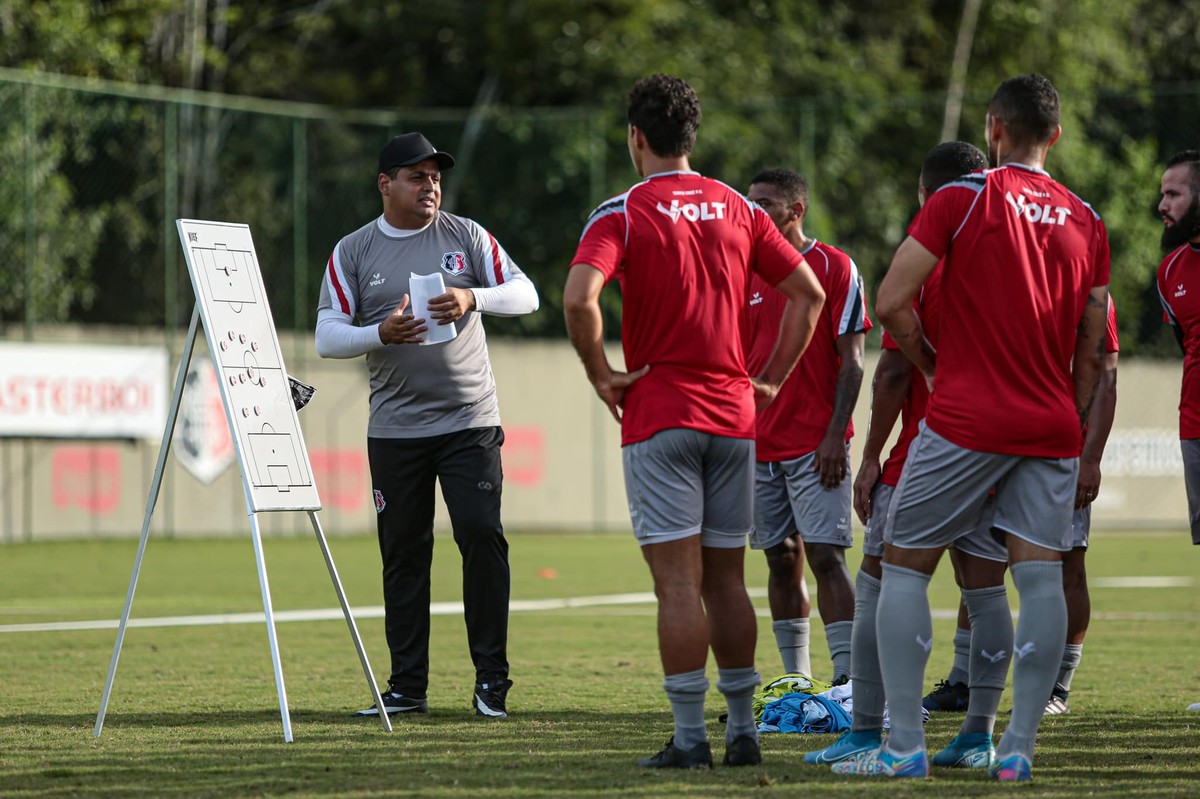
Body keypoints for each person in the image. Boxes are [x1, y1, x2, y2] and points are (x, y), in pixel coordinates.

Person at [833, 75, 1110, 782]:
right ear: (1055, 136)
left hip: (963, 417)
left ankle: (901, 747)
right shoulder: (1086, 218)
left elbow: (893, 298)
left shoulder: (961, 196)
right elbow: (1092, 347)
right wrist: (1071, 423)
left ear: (993, 129)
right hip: (1049, 424)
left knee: (903, 568)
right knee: (1040, 580)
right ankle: (1016, 743)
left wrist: (931, 363)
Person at [563, 74, 826, 769]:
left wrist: (602, 373)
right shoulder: (738, 208)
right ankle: (742, 730)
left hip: (660, 414)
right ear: (692, 137)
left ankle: (688, 739)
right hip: (733, 417)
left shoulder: (622, 210)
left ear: (635, 138)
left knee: (677, 586)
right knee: (726, 580)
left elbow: (579, 299)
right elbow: (810, 292)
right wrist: (770, 377)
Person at [315, 131, 539, 719]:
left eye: (435, 175)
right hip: (395, 431)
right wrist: (377, 334)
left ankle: (492, 682)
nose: (430, 185)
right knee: (404, 555)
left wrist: (473, 299)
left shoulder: (466, 236)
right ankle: (407, 689)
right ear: (385, 184)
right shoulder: (353, 251)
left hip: (470, 422)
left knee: (480, 535)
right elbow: (326, 334)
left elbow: (527, 294)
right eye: (416, 176)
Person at [804, 141, 1001, 769]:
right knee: (988, 594)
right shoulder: (1019, 258)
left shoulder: (927, 264)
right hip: (1006, 451)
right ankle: (980, 735)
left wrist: (872, 459)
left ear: (928, 195)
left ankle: (872, 733)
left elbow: (891, 370)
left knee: (882, 582)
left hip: (930, 448)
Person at [743, 169, 869, 684]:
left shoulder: (834, 267)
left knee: (825, 555)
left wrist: (834, 436)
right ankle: (796, 678)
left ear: (796, 211)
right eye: (748, 201)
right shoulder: (739, 269)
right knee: (778, 558)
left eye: (765, 203)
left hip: (817, 444)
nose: (752, 210)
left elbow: (854, 361)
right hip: (755, 444)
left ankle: (847, 679)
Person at [1154, 149, 1200, 711]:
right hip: (1195, 428)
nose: (1162, 205)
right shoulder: (1169, 272)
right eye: (1163, 194)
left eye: (1175, 194)